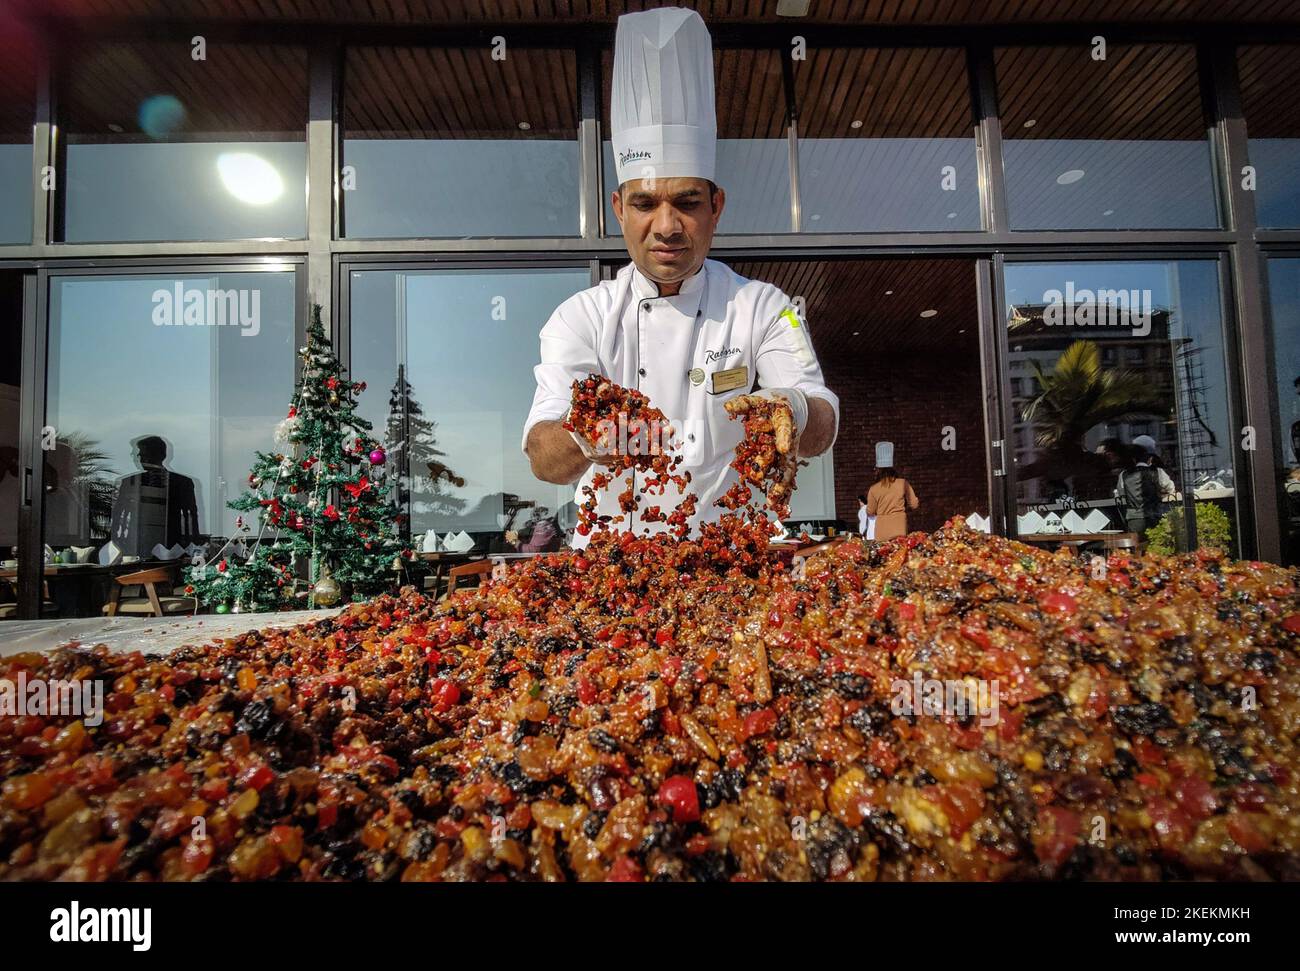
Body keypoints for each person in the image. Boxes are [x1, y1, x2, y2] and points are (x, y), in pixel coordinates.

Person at [521, 7, 838, 548]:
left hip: (732, 553)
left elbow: (821, 425)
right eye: (645, 203)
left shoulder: (764, 306)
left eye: (687, 202)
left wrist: (795, 407)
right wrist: (586, 433)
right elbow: (543, 457)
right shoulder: (581, 317)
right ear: (619, 208)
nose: (666, 226)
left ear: (716, 206)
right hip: (612, 562)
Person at [109, 435, 200, 556]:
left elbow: (191, 518)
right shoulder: (129, 482)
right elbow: (118, 516)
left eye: (141, 455)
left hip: (171, 546)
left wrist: (192, 548)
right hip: (136, 546)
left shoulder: (182, 483)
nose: (139, 459)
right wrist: (117, 543)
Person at [1115, 435, 1176, 538]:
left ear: (1133, 459)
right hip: (1154, 516)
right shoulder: (1157, 472)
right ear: (1150, 459)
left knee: (1137, 547)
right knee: (1155, 545)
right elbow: (1170, 488)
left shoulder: (1123, 475)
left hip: (1134, 519)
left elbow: (1121, 493)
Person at [866, 442, 918, 542]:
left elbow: (870, 512)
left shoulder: (873, 488)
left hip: (881, 531)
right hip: (899, 528)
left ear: (878, 470)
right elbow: (914, 504)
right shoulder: (903, 483)